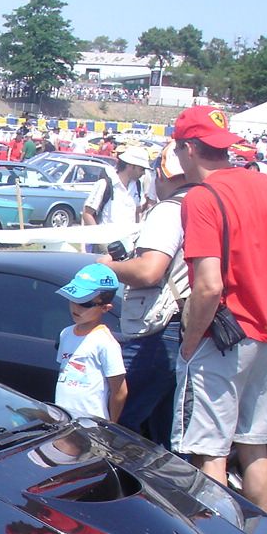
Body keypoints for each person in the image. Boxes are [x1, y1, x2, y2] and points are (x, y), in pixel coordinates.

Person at [171, 105, 267, 513]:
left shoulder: (200, 199)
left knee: (209, 451)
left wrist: (190, 343)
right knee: (255, 443)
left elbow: (209, 285)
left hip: (223, 340)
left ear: (189, 148)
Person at [98, 143, 191, 448]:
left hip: (161, 325)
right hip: (187, 324)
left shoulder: (169, 211)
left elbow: (149, 271)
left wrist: (111, 267)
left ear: (162, 174)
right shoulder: (204, 205)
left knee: (118, 419)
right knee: (167, 427)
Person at [53, 263, 127, 422]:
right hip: (63, 420)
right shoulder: (65, 334)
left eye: (85, 303)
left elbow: (120, 391)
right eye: (72, 299)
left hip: (92, 425)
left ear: (105, 308)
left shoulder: (106, 343)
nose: (75, 307)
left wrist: (111, 425)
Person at [82, 145, 148, 228]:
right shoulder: (105, 184)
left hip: (128, 239)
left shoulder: (137, 186)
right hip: (108, 240)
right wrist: (99, 238)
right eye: (142, 169)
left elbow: (137, 212)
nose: (144, 173)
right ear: (130, 166)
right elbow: (87, 214)